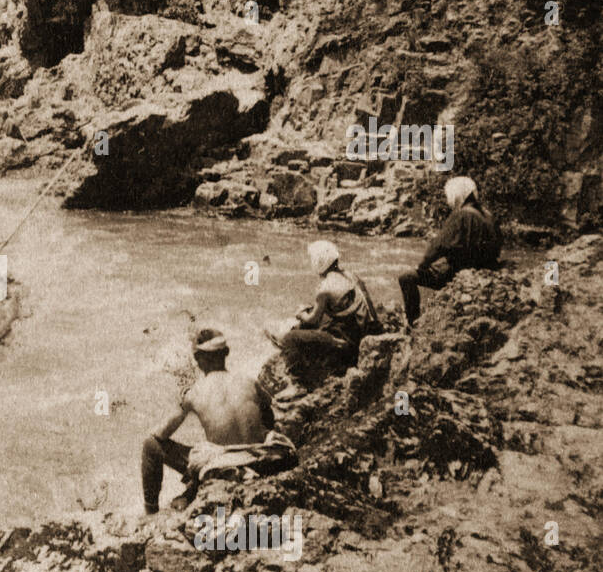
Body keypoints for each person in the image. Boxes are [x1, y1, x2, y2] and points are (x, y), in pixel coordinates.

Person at [141, 328, 274, 514]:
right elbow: (269, 418)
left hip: (223, 465)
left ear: (197, 358)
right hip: (260, 458)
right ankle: (192, 488)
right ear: (226, 352)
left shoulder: (194, 392)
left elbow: (159, 434)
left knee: (150, 445)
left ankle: (151, 513)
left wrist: (182, 401)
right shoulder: (249, 382)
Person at [398, 176, 501, 325]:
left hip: (460, 271)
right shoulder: (488, 215)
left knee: (406, 277)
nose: (449, 202)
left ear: (457, 195)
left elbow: (438, 246)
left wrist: (422, 265)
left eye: (449, 197)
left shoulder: (461, 215)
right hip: (486, 269)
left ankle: (413, 322)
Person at [279, 240, 378, 373]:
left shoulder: (325, 288)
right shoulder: (352, 275)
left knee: (290, 338)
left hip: (349, 345)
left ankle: (297, 377)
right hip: (366, 332)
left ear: (318, 262)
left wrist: (301, 314)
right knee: (319, 316)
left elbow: (312, 320)